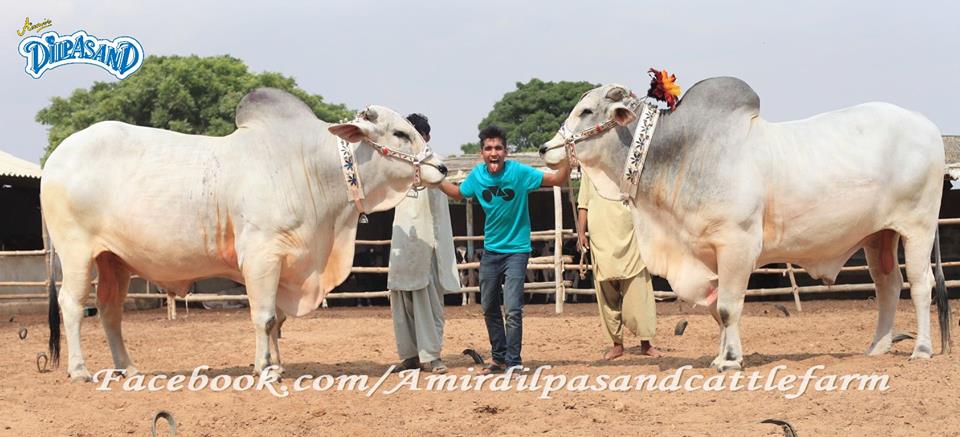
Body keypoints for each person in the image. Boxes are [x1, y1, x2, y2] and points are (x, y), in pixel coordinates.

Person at [440, 125, 571, 374]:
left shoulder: (519, 172)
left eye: (498, 148)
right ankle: (498, 359)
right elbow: (458, 194)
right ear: (482, 153)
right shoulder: (477, 176)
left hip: (517, 250)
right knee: (488, 306)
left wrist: (568, 160)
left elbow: (556, 179)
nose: (493, 153)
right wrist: (436, 181)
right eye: (488, 148)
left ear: (506, 151)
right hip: (490, 251)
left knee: (512, 308)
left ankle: (514, 361)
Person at [387, 113, 460, 374]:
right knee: (401, 298)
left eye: (417, 135)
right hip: (402, 241)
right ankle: (409, 356)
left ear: (427, 137)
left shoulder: (433, 162)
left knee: (427, 299)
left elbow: (443, 183)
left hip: (429, 240)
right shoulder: (396, 165)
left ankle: (431, 355)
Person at [576, 170, 662, 360]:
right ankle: (617, 345)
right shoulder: (590, 171)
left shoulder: (631, 168)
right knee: (607, 297)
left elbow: (643, 202)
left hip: (631, 239)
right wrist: (581, 233)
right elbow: (583, 205)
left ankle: (646, 343)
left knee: (640, 294)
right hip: (601, 242)